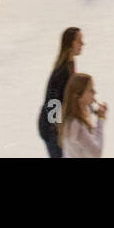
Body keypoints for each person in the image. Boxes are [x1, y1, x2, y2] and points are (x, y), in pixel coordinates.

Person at [38, 27, 83, 159]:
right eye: (79, 41)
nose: (82, 44)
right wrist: (57, 130)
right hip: (52, 129)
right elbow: (52, 100)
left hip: (59, 127)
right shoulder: (62, 71)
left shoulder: (70, 63)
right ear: (70, 44)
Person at [59, 73, 107, 158]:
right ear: (79, 96)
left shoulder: (70, 119)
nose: (95, 92)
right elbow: (96, 152)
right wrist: (100, 119)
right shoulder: (76, 124)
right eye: (90, 90)